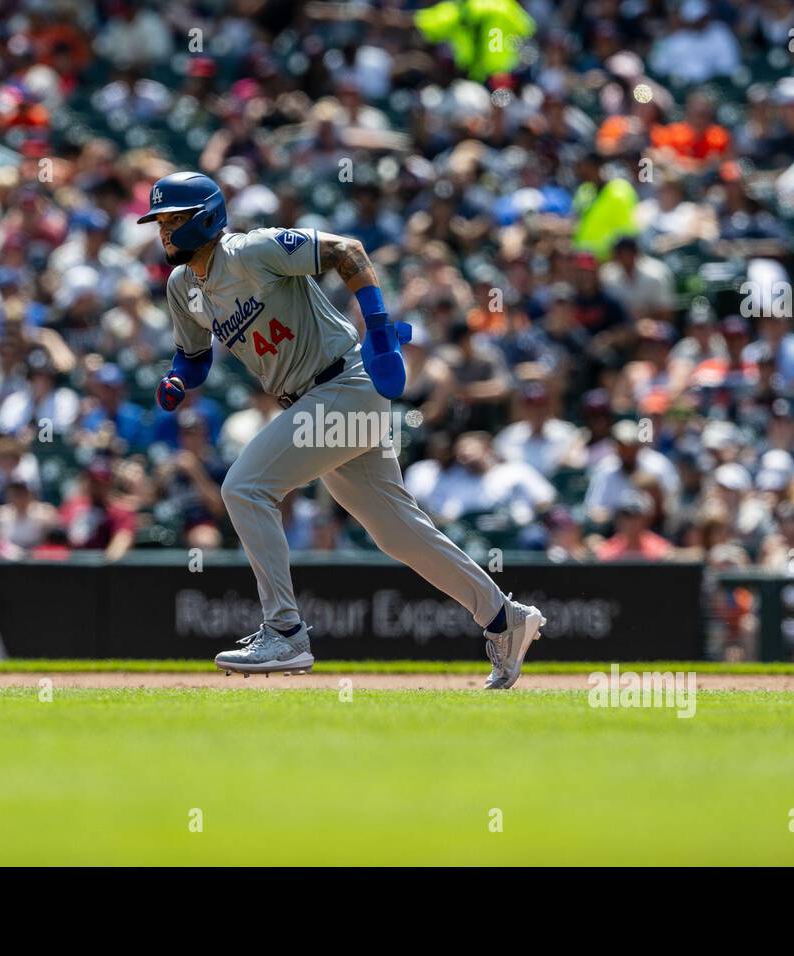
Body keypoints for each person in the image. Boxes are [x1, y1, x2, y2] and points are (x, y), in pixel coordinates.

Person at [139, 171, 545, 687]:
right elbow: (193, 355)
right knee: (398, 531)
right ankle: (504, 619)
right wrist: (177, 378)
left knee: (244, 486)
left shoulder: (252, 250)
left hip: (344, 383)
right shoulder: (182, 287)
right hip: (316, 402)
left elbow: (348, 251)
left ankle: (284, 630)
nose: (165, 232)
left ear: (206, 217)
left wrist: (379, 332)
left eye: (174, 219)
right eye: (160, 222)